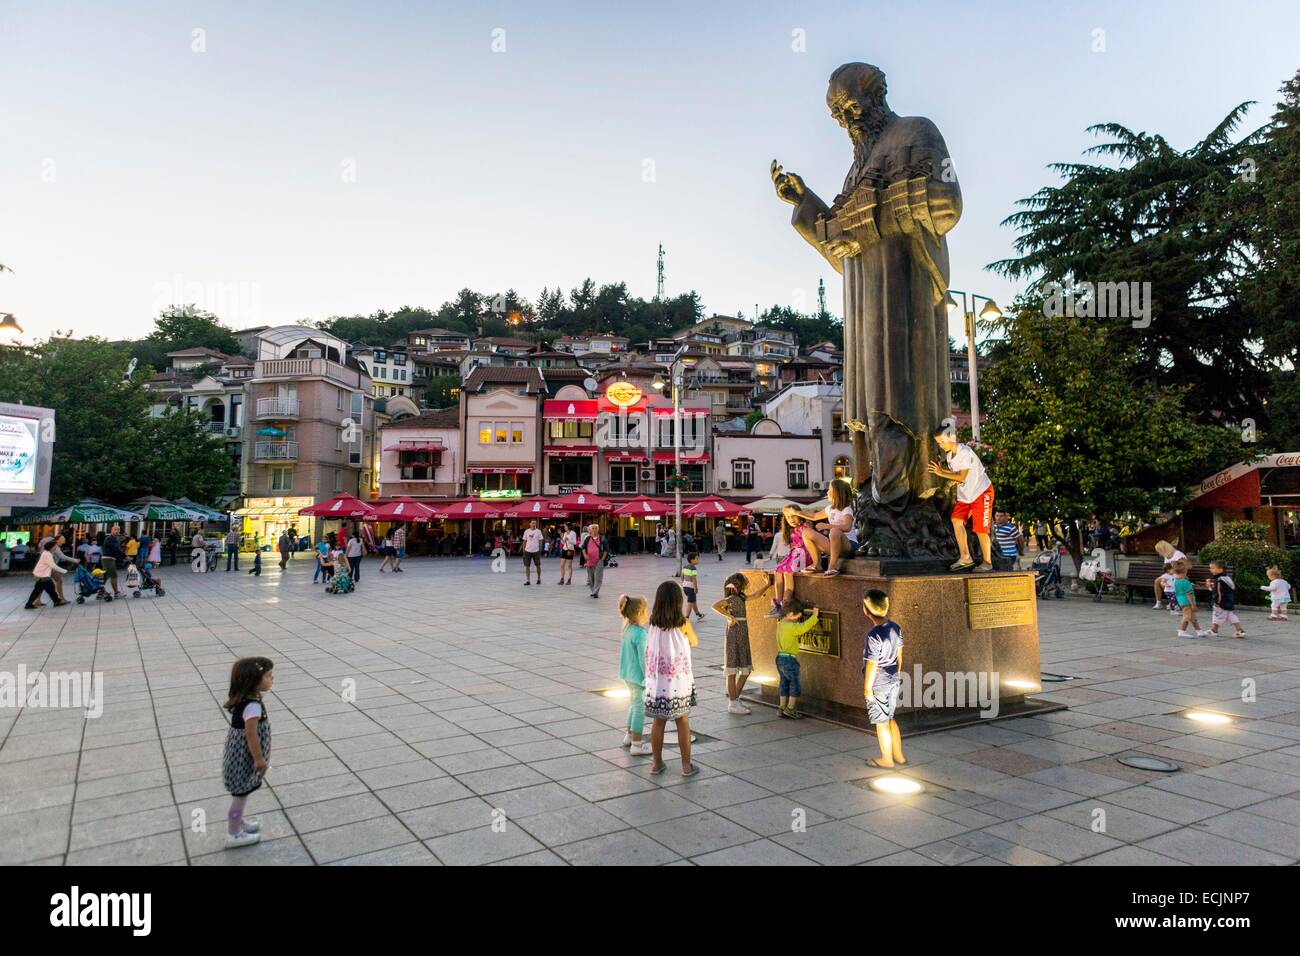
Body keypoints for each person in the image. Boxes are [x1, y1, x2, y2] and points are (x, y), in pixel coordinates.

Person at [644, 580, 699, 777]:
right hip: (677, 682)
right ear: (678, 601)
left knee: (658, 721)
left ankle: (656, 764)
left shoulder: (653, 621)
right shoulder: (683, 623)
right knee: (682, 720)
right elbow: (694, 642)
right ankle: (686, 766)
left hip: (658, 683)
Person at [222, 657, 274, 849]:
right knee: (240, 794)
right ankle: (233, 834)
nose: (272, 679)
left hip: (239, 754)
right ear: (254, 681)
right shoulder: (252, 705)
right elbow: (251, 734)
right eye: (268, 676)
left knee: (241, 794)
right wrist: (259, 759)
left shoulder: (245, 699)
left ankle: (238, 822)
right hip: (245, 757)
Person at [928, 429, 994, 572]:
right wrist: (942, 471)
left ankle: (987, 562)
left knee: (980, 529)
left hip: (981, 492)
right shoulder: (950, 456)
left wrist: (941, 473)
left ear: (952, 437)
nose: (941, 445)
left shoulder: (965, 452)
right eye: (939, 443)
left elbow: (962, 477)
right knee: (956, 520)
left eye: (942, 441)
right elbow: (957, 474)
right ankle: (965, 557)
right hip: (966, 495)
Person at [861, 588, 906, 769]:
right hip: (893, 677)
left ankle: (886, 759)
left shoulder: (873, 635)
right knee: (890, 718)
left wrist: (867, 689)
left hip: (878, 682)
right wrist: (896, 673)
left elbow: (872, 664)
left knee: (881, 722)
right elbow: (900, 654)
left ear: (866, 610)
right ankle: (899, 756)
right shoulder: (895, 627)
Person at [791, 477, 857, 576]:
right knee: (806, 532)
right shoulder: (829, 508)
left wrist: (827, 526)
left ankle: (832, 566)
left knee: (834, 531)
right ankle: (817, 564)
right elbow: (814, 516)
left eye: (829, 490)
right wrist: (796, 512)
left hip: (849, 545)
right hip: (834, 545)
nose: (827, 492)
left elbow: (847, 527)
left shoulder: (846, 509)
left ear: (836, 493)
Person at [712, 573, 753, 714]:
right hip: (734, 634)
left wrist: (767, 585)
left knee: (745, 669)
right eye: (745, 583)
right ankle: (733, 702)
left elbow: (755, 595)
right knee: (732, 670)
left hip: (742, 634)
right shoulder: (731, 599)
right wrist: (730, 617)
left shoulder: (741, 597)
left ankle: (734, 698)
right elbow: (715, 606)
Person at [617, 594, 652, 756]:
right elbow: (643, 659)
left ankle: (629, 735)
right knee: (639, 707)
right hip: (638, 677)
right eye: (646, 610)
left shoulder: (627, 629)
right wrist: (648, 678)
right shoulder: (640, 633)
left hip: (627, 674)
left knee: (633, 703)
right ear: (639, 613)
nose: (648, 613)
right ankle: (637, 744)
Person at [775, 597, 819, 719]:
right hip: (789, 660)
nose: (798, 620)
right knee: (794, 684)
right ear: (790, 614)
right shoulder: (792, 627)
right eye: (797, 617)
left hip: (779, 658)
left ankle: (781, 707)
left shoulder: (780, 624)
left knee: (784, 683)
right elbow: (803, 627)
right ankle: (790, 709)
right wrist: (814, 616)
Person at [770, 510, 811, 618]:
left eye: (793, 516)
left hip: (803, 555)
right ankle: (778, 602)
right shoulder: (791, 530)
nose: (791, 519)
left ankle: (785, 602)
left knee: (788, 571)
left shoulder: (805, 528)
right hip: (794, 554)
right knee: (778, 570)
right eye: (788, 517)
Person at [24, 539, 71, 610]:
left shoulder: (46, 553)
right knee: (42, 589)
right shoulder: (47, 554)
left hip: (42, 575)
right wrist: (64, 571)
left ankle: (56, 601)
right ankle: (29, 604)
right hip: (42, 575)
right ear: (51, 547)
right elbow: (53, 565)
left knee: (48, 588)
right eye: (55, 546)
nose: (56, 548)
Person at [1207, 560, 1246, 639]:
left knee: (1217, 615)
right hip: (1229, 601)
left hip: (1221, 602)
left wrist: (1217, 602)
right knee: (1231, 615)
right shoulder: (1226, 578)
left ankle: (1214, 630)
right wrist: (1210, 586)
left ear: (1220, 569)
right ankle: (1240, 630)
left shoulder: (1219, 580)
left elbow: (1218, 592)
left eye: (1213, 568)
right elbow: (1223, 590)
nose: (1210, 570)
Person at [1173, 564, 1208, 638]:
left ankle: (1199, 631)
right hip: (1187, 602)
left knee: (1192, 617)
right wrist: (1193, 605)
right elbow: (1188, 594)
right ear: (1185, 572)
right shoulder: (1186, 582)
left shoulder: (1175, 581)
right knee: (1187, 617)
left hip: (1181, 601)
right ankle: (1182, 631)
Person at [579, 524, 608, 598]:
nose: (594, 530)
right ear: (590, 530)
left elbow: (606, 550)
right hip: (589, 562)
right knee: (591, 578)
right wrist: (585, 555)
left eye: (595, 528)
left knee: (598, 577)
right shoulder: (587, 539)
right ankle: (593, 591)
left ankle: (595, 592)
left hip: (599, 561)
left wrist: (602, 559)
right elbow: (583, 548)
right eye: (593, 528)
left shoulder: (602, 539)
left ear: (598, 530)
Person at [101, 525, 126, 597]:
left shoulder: (115, 539)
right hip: (108, 559)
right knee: (114, 576)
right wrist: (125, 556)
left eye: (118, 530)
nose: (117, 531)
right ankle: (116, 593)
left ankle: (100, 591)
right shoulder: (110, 538)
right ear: (111, 530)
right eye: (115, 529)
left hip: (109, 559)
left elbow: (117, 549)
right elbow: (116, 549)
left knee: (105, 576)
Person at [681, 552, 704, 620]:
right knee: (690, 603)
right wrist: (695, 588)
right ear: (692, 560)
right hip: (691, 588)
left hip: (685, 587)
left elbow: (682, 576)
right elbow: (694, 579)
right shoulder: (693, 568)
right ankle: (686, 617)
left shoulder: (684, 567)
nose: (698, 560)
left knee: (693, 601)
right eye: (697, 559)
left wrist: (684, 583)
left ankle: (698, 614)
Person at [521, 519, 544, 586]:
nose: (534, 524)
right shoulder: (526, 531)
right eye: (533, 523)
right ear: (530, 524)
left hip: (536, 551)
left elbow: (540, 540)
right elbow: (524, 541)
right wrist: (523, 550)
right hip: (527, 551)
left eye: (535, 523)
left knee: (538, 565)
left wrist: (540, 548)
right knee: (527, 566)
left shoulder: (538, 531)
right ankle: (528, 580)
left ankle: (539, 579)